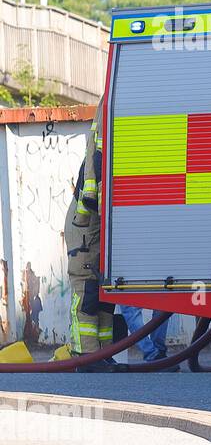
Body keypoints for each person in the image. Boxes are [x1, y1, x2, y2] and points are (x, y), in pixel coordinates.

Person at [65, 110, 117, 373]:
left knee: (104, 295)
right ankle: (85, 356)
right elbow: (95, 161)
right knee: (87, 292)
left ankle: (103, 354)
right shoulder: (107, 108)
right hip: (85, 225)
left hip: (94, 223)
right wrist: (89, 208)